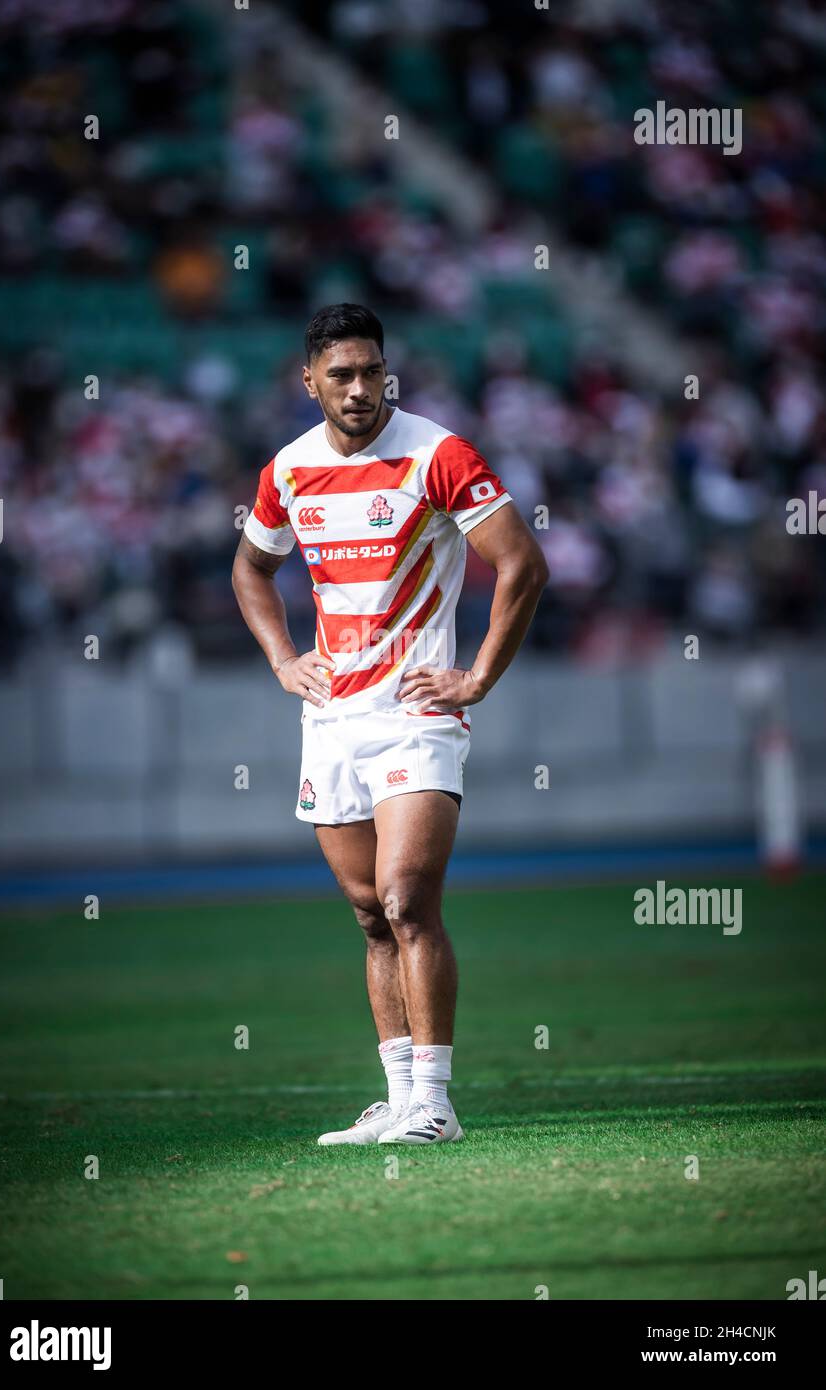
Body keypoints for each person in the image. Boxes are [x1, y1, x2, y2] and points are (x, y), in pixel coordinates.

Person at [232, 304, 549, 1144]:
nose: (361, 388)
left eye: (373, 371)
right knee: (372, 916)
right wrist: (281, 657)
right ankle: (399, 1099)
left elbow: (522, 562)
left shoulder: (437, 455)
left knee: (410, 899)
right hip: (331, 719)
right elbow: (250, 570)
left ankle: (436, 1105)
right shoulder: (289, 470)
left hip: (416, 717)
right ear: (310, 383)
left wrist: (478, 674)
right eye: (342, 374)